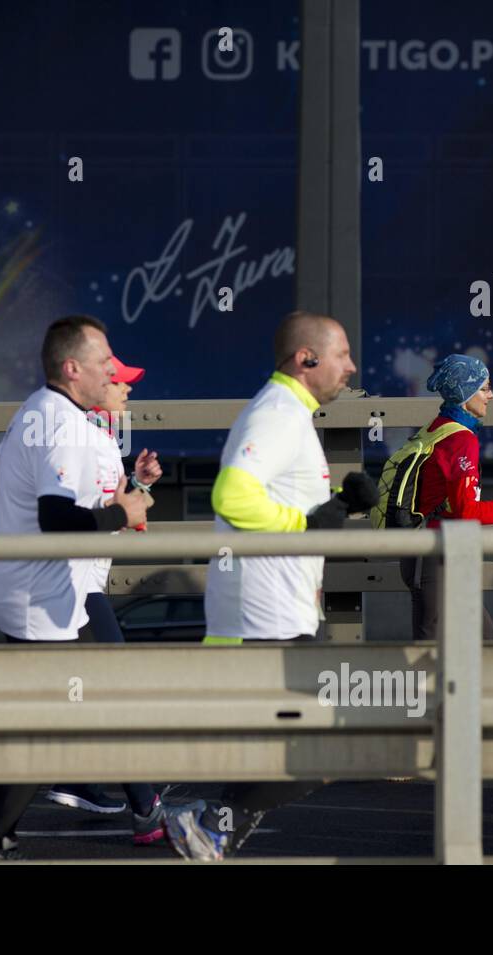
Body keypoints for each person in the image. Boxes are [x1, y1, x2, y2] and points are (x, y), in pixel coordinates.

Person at [0, 316, 151, 861]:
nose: (111, 369)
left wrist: (123, 500)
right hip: (42, 595)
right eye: (104, 360)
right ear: (72, 368)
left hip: (38, 588)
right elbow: (57, 518)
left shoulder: (45, 411)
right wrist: (121, 514)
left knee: (54, 713)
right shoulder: (60, 422)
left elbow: (17, 488)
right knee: (54, 723)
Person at [167, 311, 373, 861]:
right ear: (307, 360)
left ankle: (211, 831)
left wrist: (340, 508)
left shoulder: (291, 414)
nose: (352, 366)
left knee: (293, 745)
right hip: (267, 618)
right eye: (342, 354)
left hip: (276, 613)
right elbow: (231, 497)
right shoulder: (279, 414)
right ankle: (207, 825)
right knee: (322, 747)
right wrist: (306, 526)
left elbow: (284, 505)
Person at [42, 353, 170, 843]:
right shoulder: (91, 443)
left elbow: (111, 515)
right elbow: (122, 521)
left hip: (67, 582)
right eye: (122, 384)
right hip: (76, 585)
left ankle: (73, 778)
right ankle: (145, 809)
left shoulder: (91, 439)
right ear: (98, 387)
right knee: (116, 689)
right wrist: (132, 498)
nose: (128, 392)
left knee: (76, 691)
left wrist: (135, 486)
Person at [399, 354, 493, 642]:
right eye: (485, 388)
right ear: (465, 393)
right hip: (436, 558)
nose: (491, 395)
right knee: (431, 655)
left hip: (428, 553)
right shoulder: (462, 441)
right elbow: (466, 511)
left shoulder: (437, 427)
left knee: (481, 643)